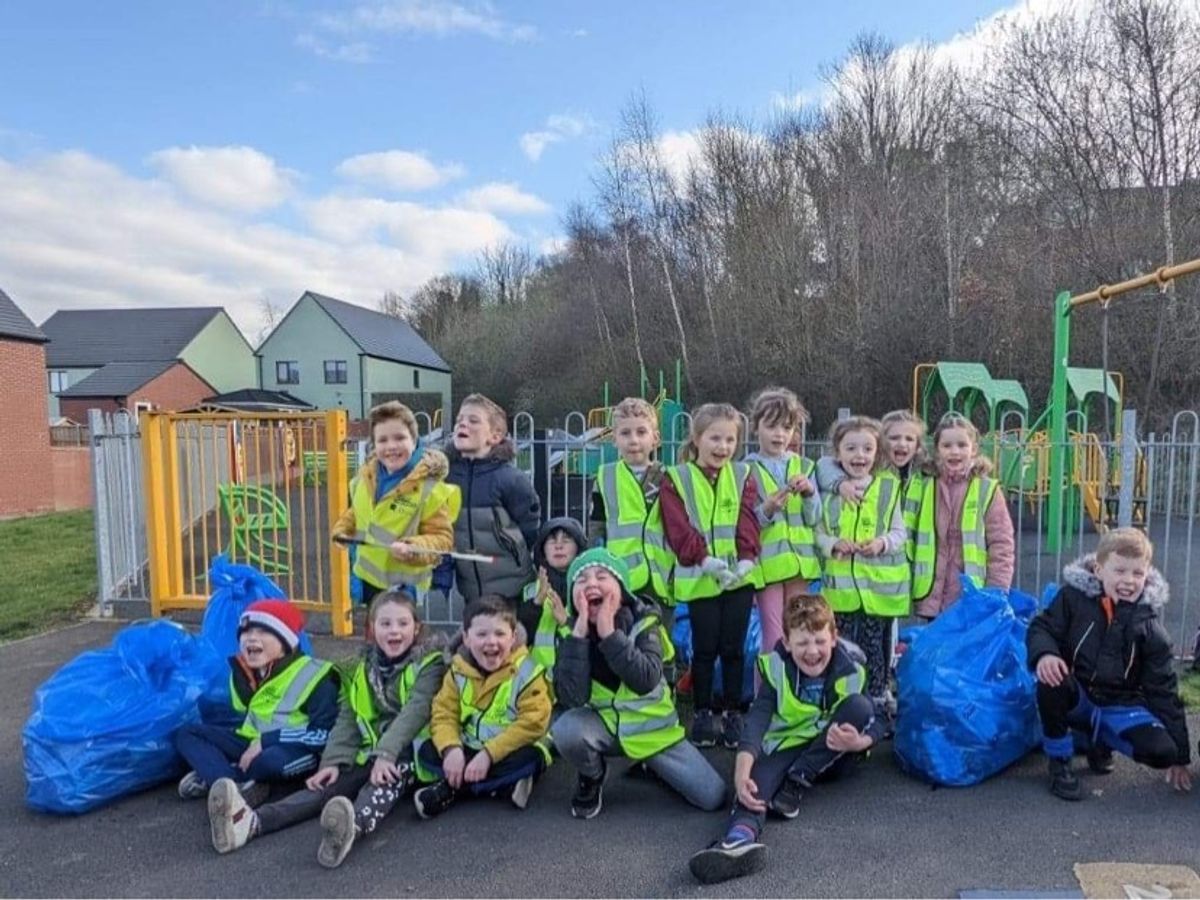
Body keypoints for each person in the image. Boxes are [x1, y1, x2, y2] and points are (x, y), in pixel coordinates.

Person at [205, 589, 447, 867]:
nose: (394, 631)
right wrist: (331, 762)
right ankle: (252, 823)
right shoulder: (363, 667)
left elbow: (414, 713)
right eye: (386, 624)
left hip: (408, 754)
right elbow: (348, 718)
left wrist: (386, 755)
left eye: (403, 624)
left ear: (416, 629)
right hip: (369, 752)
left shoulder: (429, 664)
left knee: (380, 785)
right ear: (371, 629)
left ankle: (351, 827)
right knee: (324, 787)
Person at [688, 593, 882, 885]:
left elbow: (881, 719)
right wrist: (741, 773)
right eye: (802, 643)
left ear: (833, 638)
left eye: (819, 640)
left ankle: (796, 782)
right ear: (788, 643)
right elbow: (755, 723)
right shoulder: (776, 669)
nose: (812, 651)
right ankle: (737, 842)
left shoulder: (853, 670)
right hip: (786, 749)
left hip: (832, 755)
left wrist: (860, 744)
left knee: (860, 706)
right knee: (754, 786)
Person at [551, 548, 726, 818]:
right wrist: (578, 637)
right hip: (606, 730)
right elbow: (571, 698)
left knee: (713, 796)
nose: (591, 584)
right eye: (581, 580)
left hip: (653, 734)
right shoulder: (569, 633)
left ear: (621, 591)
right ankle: (592, 775)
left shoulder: (645, 624)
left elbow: (645, 680)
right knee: (565, 729)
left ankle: (652, 766)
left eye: (601, 576)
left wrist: (609, 635)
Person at [1027, 528, 1192, 801]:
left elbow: (1163, 691)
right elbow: (1041, 628)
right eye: (1119, 571)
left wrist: (1182, 756)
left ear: (1147, 575)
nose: (1128, 580)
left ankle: (1099, 741)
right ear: (1099, 568)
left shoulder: (1150, 627)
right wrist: (1046, 654)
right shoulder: (1072, 598)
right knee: (1050, 679)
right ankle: (1059, 761)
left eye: (1137, 573)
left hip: (1121, 705)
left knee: (1165, 752)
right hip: (1078, 693)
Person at [645, 402, 761, 749]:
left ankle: (733, 712)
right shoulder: (676, 478)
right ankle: (704, 712)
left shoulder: (743, 475)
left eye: (729, 440)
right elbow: (677, 527)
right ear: (696, 439)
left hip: (737, 579)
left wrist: (747, 557)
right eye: (715, 438)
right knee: (705, 648)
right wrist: (704, 559)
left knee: (734, 648)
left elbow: (747, 519)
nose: (722, 447)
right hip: (700, 577)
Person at [174, 600, 337, 805]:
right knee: (187, 734)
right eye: (245, 632)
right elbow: (245, 719)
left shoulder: (317, 675)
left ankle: (220, 777)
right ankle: (231, 786)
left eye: (262, 632)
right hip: (249, 741)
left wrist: (266, 741)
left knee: (268, 762)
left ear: (287, 642)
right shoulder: (246, 672)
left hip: (293, 748)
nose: (251, 638)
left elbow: (324, 736)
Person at [411, 595, 552, 817]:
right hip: (468, 747)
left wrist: (488, 754)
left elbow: (533, 724)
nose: (491, 642)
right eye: (481, 634)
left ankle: (451, 789)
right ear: (466, 638)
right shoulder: (457, 671)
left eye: (500, 634)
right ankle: (500, 786)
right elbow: (443, 713)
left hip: (508, 749)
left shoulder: (528, 672)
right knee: (426, 750)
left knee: (533, 757)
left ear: (513, 637)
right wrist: (451, 749)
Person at [814, 416, 908, 701]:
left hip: (877, 591)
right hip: (840, 592)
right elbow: (816, 532)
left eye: (867, 449)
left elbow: (899, 532)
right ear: (838, 452)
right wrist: (833, 544)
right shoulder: (829, 492)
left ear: (877, 452)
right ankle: (843, 696)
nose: (860, 455)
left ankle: (878, 696)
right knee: (841, 646)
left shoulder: (888, 488)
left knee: (875, 646)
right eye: (851, 448)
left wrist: (881, 543)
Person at [332, 400, 458, 607]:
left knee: (401, 636)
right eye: (382, 440)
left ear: (415, 439)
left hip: (406, 588)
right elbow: (357, 511)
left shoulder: (430, 488)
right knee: (376, 635)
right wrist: (344, 528)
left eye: (400, 438)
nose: (391, 446)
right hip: (369, 582)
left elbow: (442, 539)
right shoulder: (363, 479)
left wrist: (414, 547)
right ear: (374, 444)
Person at [432, 394, 541, 603]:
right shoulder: (445, 477)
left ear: (495, 435)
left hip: (513, 589)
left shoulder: (511, 479)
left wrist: (514, 551)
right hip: (471, 590)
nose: (463, 423)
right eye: (459, 420)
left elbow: (529, 528)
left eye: (473, 420)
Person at [910, 413, 1014, 620]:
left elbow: (1001, 544)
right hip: (931, 594)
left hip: (972, 595)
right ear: (937, 450)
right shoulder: (923, 485)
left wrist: (996, 591)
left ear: (973, 449)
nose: (954, 451)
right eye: (947, 445)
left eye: (961, 445)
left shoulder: (987, 489)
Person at [744, 387, 821, 656]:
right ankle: (765, 696)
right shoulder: (746, 470)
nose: (779, 434)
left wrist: (810, 493)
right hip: (767, 569)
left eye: (786, 427)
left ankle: (794, 693)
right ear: (756, 428)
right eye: (771, 426)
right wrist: (766, 510)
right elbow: (744, 525)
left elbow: (814, 518)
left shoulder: (806, 466)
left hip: (800, 566)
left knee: (799, 633)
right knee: (774, 637)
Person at [588, 397, 667, 616]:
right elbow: (596, 527)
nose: (633, 440)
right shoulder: (606, 477)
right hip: (621, 577)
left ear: (656, 439)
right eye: (625, 433)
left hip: (661, 577)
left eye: (641, 432)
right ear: (614, 439)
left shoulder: (668, 478)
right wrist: (596, 568)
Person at [518, 517, 586, 661]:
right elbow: (517, 640)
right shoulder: (528, 591)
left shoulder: (588, 591)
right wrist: (536, 604)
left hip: (573, 676)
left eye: (566, 540)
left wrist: (566, 622)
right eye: (552, 540)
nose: (558, 546)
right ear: (543, 550)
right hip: (537, 680)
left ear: (578, 549)